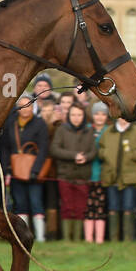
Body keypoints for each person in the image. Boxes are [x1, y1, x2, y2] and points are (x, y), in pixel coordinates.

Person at [0, 97, 49, 242]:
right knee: (20, 204)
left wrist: (35, 170)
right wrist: (6, 169)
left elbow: (43, 149)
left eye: (28, 106)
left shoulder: (40, 124)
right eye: (22, 106)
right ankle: (24, 237)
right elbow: (6, 148)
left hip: (34, 171)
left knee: (36, 202)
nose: (25, 109)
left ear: (33, 107)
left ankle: (40, 238)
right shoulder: (11, 124)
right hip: (15, 170)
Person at [98, 112, 136, 242]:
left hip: (129, 177)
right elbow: (100, 149)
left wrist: (132, 155)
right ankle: (114, 239)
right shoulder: (108, 131)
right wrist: (105, 154)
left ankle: (128, 239)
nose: (123, 119)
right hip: (111, 176)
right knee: (112, 208)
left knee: (128, 208)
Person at [50, 102, 94, 242]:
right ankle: (67, 239)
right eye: (73, 114)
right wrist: (73, 156)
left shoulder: (89, 131)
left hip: (83, 175)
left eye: (79, 115)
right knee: (67, 207)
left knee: (81, 208)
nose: (76, 118)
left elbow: (94, 151)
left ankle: (77, 238)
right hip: (65, 174)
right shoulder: (62, 130)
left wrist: (86, 157)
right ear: (69, 115)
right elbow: (54, 149)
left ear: (84, 116)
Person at [84, 102, 111, 243]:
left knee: (100, 207)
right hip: (86, 174)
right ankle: (88, 238)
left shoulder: (110, 131)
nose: (99, 117)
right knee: (88, 206)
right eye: (97, 114)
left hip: (102, 174)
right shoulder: (86, 129)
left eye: (103, 114)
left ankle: (99, 239)